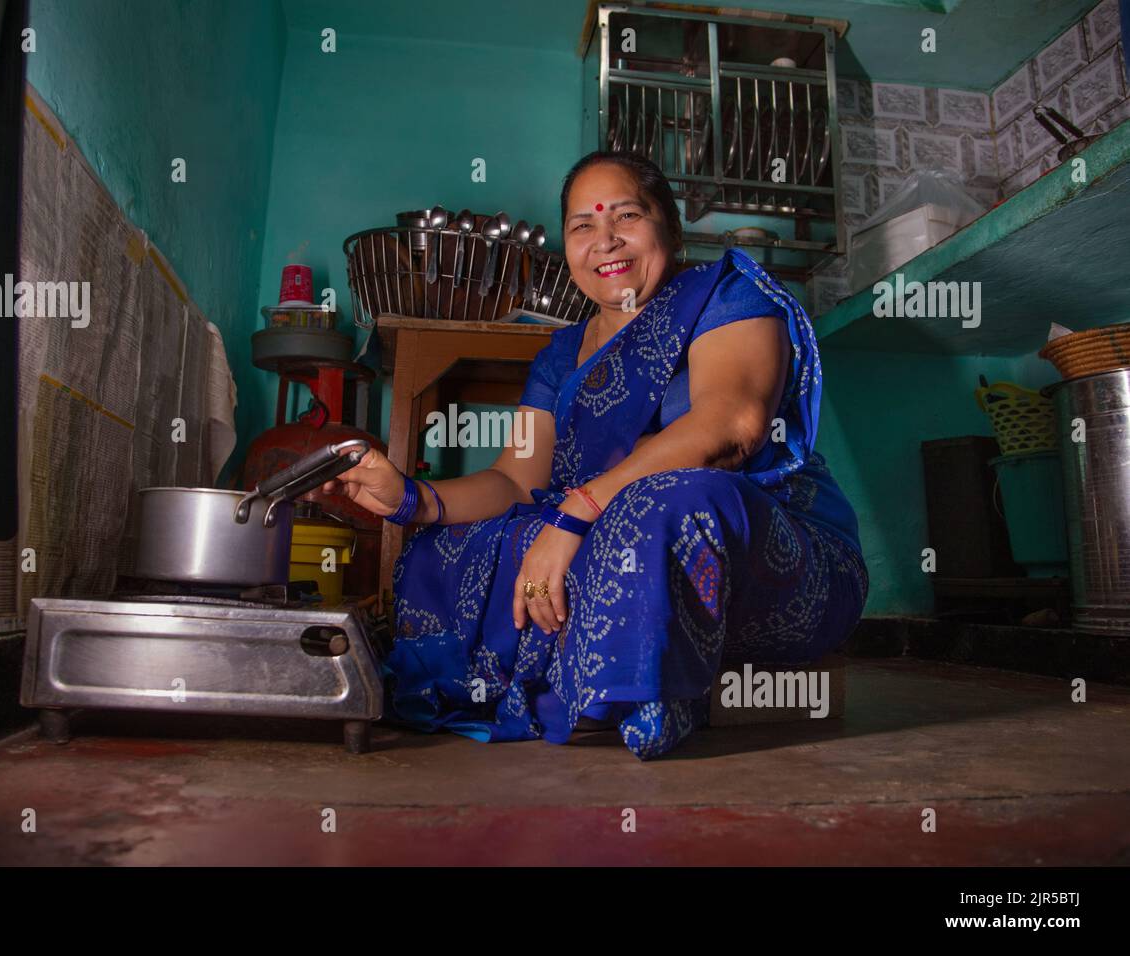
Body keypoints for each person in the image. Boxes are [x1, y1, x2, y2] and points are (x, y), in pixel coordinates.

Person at [323, 150, 868, 759]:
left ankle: (623, 694)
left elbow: (730, 427)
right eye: (583, 225)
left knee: (668, 501)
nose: (605, 240)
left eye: (627, 215)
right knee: (455, 537)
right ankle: (547, 682)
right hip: (607, 521)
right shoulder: (562, 355)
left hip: (766, 545)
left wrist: (580, 508)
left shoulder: (725, 293)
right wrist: (413, 498)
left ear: (669, 225)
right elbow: (514, 478)